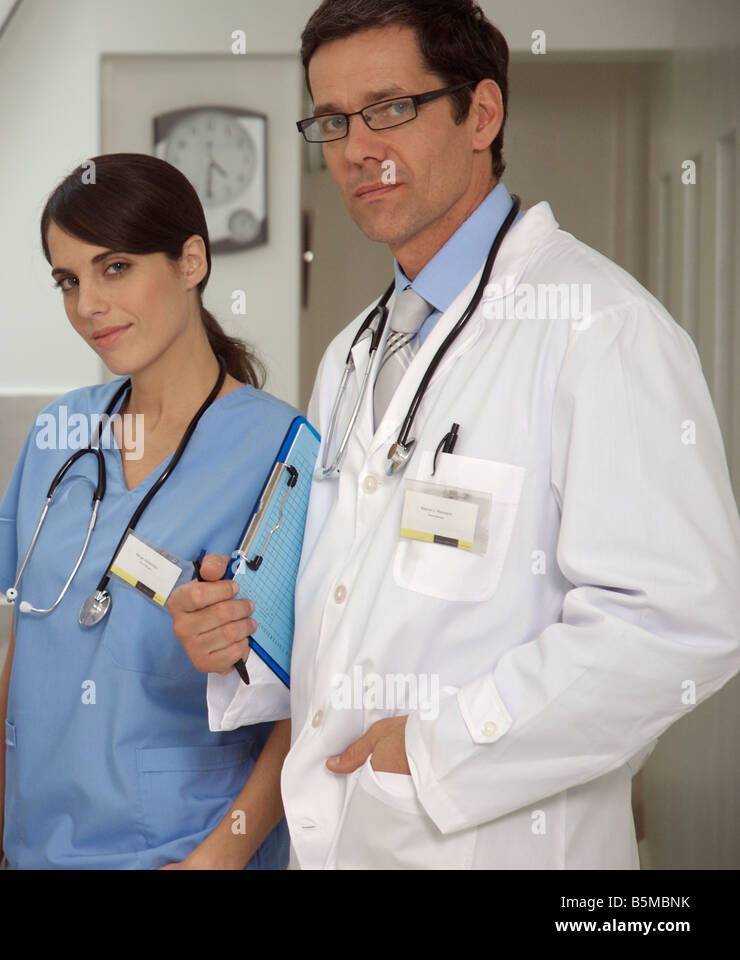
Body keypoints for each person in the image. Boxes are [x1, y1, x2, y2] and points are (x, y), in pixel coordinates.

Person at [167, 0, 740, 869]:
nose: (357, 147)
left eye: (390, 107)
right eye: (332, 119)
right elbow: (334, 595)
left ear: (482, 113)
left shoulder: (600, 325)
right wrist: (236, 638)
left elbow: (680, 623)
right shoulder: (352, 354)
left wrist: (437, 747)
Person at [0, 153, 295, 869]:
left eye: (115, 268)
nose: (88, 304)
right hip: (36, 849)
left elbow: (310, 703)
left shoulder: (283, 452)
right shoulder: (59, 437)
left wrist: (215, 862)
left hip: (183, 850)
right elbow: (22, 668)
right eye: (68, 280)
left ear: (191, 261)